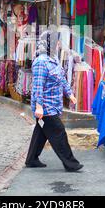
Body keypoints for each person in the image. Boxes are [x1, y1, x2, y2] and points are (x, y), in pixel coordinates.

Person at [25, 30, 83, 172]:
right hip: (45, 107)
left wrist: (70, 94)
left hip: (53, 105)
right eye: (56, 41)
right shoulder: (41, 62)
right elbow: (38, 86)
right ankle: (71, 164)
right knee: (59, 131)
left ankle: (31, 159)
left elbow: (61, 78)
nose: (58, 44)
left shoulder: (54, 59)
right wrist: (39, 107)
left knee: (42, 131)